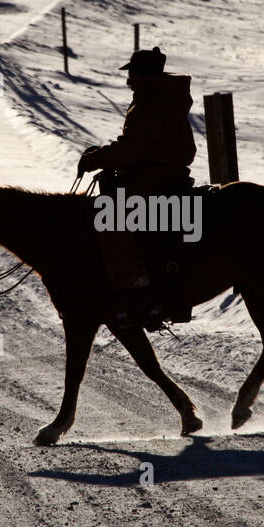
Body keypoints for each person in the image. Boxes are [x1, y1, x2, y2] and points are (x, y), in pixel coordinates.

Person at [78, 46, 196, 329]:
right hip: (166, 176)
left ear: (142, 76)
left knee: (110, 221)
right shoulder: (164, 98)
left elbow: (131, 148)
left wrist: (94, 160)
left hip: (154, 181)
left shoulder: (149, 103)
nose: (127, 81)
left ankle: (137, 293)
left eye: (130, 74)